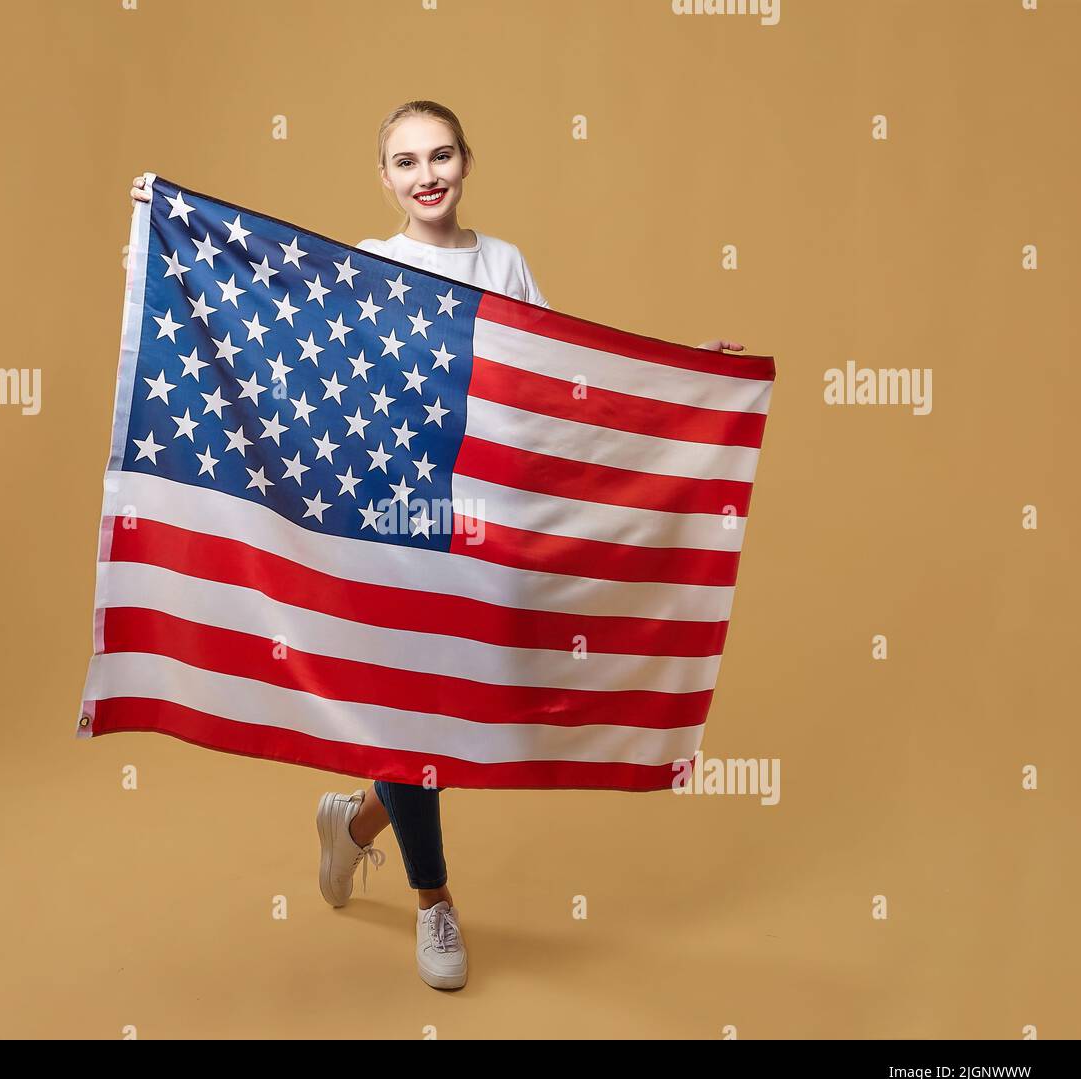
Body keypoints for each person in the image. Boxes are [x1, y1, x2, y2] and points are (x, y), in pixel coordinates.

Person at [129, 99, 744, 992]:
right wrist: (163, 249)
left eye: (442, 155)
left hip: (486, 521)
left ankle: (353, 826)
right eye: (407, 161)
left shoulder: (504, 262)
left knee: (462, 710)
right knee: (410, 708)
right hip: (390, 523)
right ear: (384, 178)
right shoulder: (368, 266)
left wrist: (680, 377)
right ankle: (434, 900)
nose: (427, 174)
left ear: (466, 161)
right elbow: (291, 357)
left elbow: (560, 382)